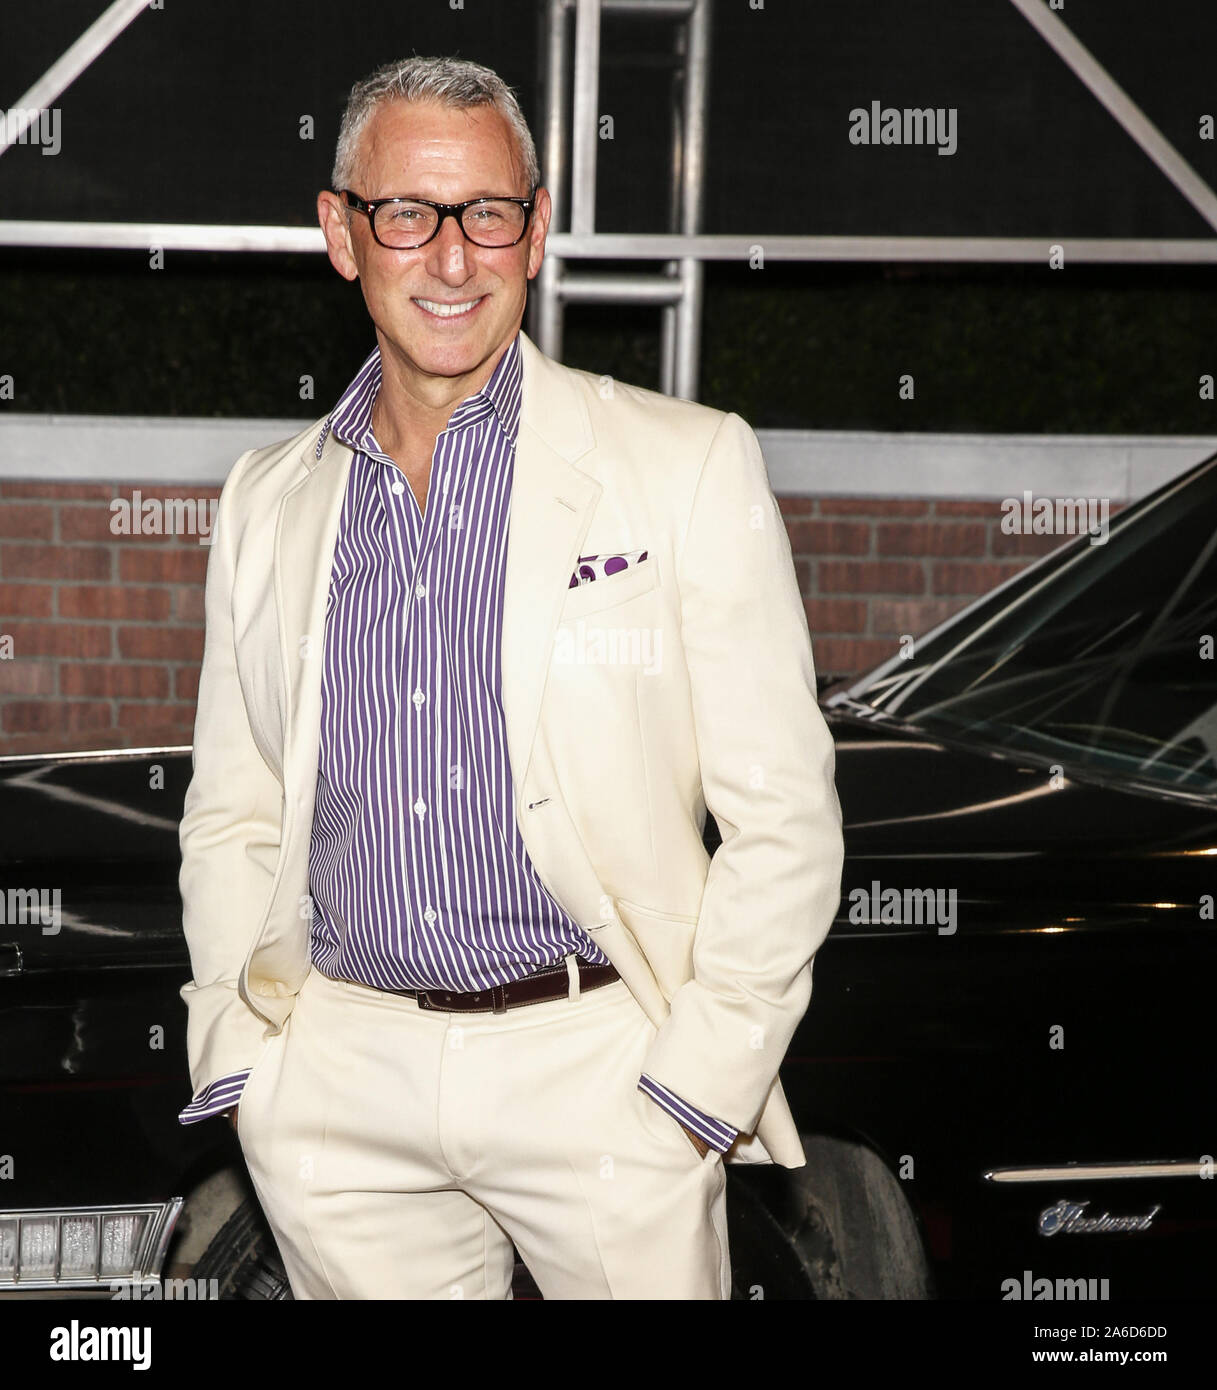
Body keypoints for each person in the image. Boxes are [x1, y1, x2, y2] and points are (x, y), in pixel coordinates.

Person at [176, 55, 844, 1300]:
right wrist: (246, 1055)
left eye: (487, 213)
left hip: (600, 1067)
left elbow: (786, 816)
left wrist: (691, 1093)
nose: (450, 257)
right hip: (338, 1083)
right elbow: (235, 804)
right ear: (340, 232)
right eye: (406, 215)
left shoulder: (683, 464)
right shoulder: (265, 500)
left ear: (534, 231)